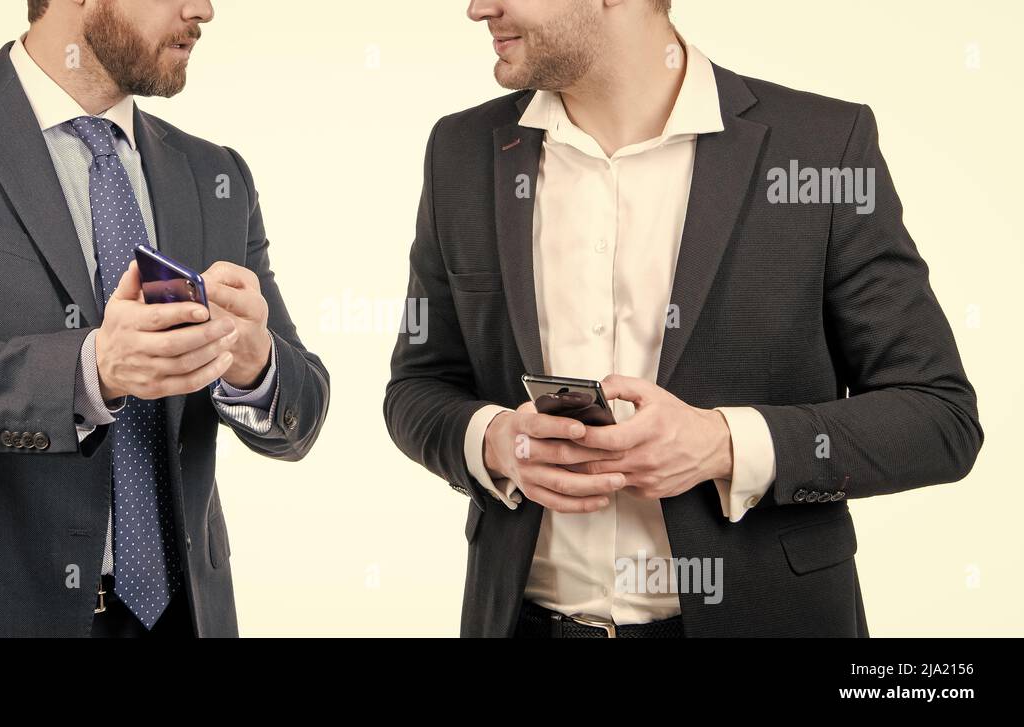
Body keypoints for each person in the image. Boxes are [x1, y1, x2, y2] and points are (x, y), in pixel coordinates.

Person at [384, 0, 982, 637]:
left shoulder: (821, 146)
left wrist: (723, 446)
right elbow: (417, 387)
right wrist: (496, 441)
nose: (479, 8)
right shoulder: (461, 149)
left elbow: (938, 417)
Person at [0, 0, 328, 637]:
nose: (205, 9)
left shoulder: (216, 174)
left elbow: (301, 413)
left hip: (178, 615)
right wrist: (90, 370)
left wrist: (254, 367)